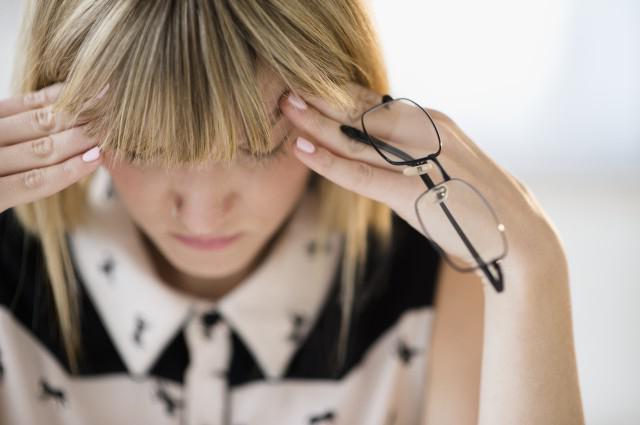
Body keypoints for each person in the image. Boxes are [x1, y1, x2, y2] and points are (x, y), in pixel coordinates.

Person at [0, 1, 585, 424]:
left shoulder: (434, 283)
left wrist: (534, 271)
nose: (203, 215)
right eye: (145, 148)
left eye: (259, 146)